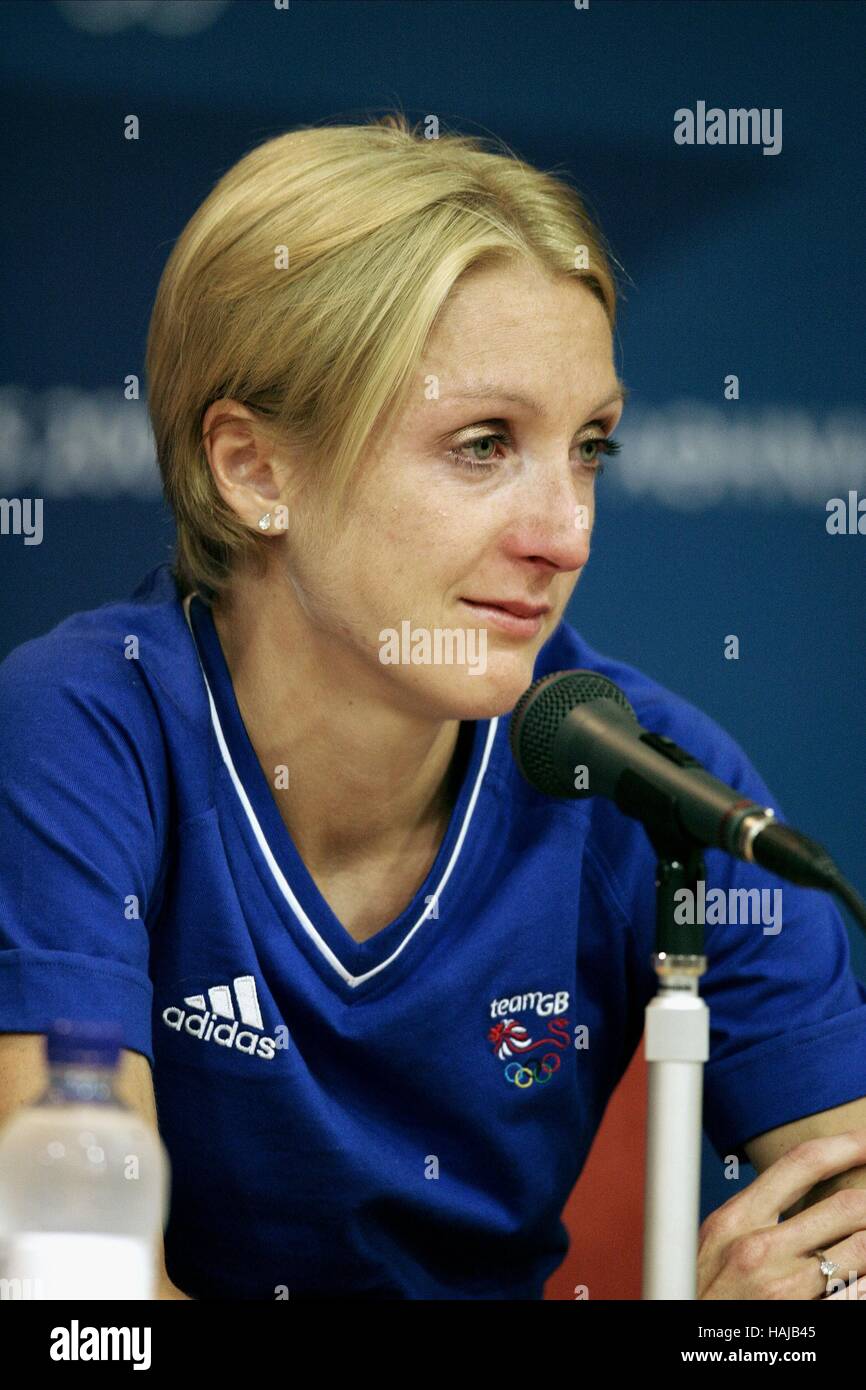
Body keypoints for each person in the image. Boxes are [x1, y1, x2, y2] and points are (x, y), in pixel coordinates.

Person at [2, 114, 866, 1302]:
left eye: (590, 449)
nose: (562, 534)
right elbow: (78, 1310)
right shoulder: (82, 729)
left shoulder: (644, 776)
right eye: (480, 444)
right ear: (254, 470)